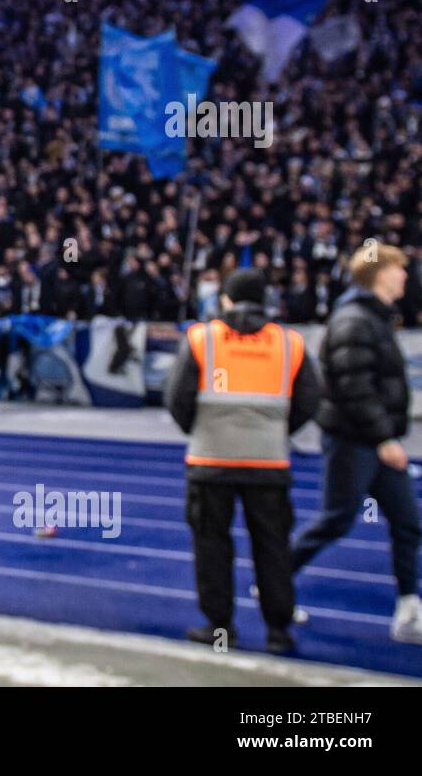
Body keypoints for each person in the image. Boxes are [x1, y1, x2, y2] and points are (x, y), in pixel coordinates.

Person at [165, 268, 321, 655]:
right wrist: (274, 432)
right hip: (268, 462)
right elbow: (309, 399)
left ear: (226, 300)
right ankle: (278, 631)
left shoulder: (203, 339)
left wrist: (201, 429)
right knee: (272, 545)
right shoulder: (289, 343)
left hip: (210, 458)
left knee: (212, 544)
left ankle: (220, 628)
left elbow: (177, 396)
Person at [289, 243, 422, 643]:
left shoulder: (374, 318)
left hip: (374, 440)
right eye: (399, 269)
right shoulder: (355, 320)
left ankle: (408, 608)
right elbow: (354, 386)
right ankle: (274, 583)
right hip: (354, 441)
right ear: (379, 273)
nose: (405, 276)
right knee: (336, 519)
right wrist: (383, 437)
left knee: (408, 523)